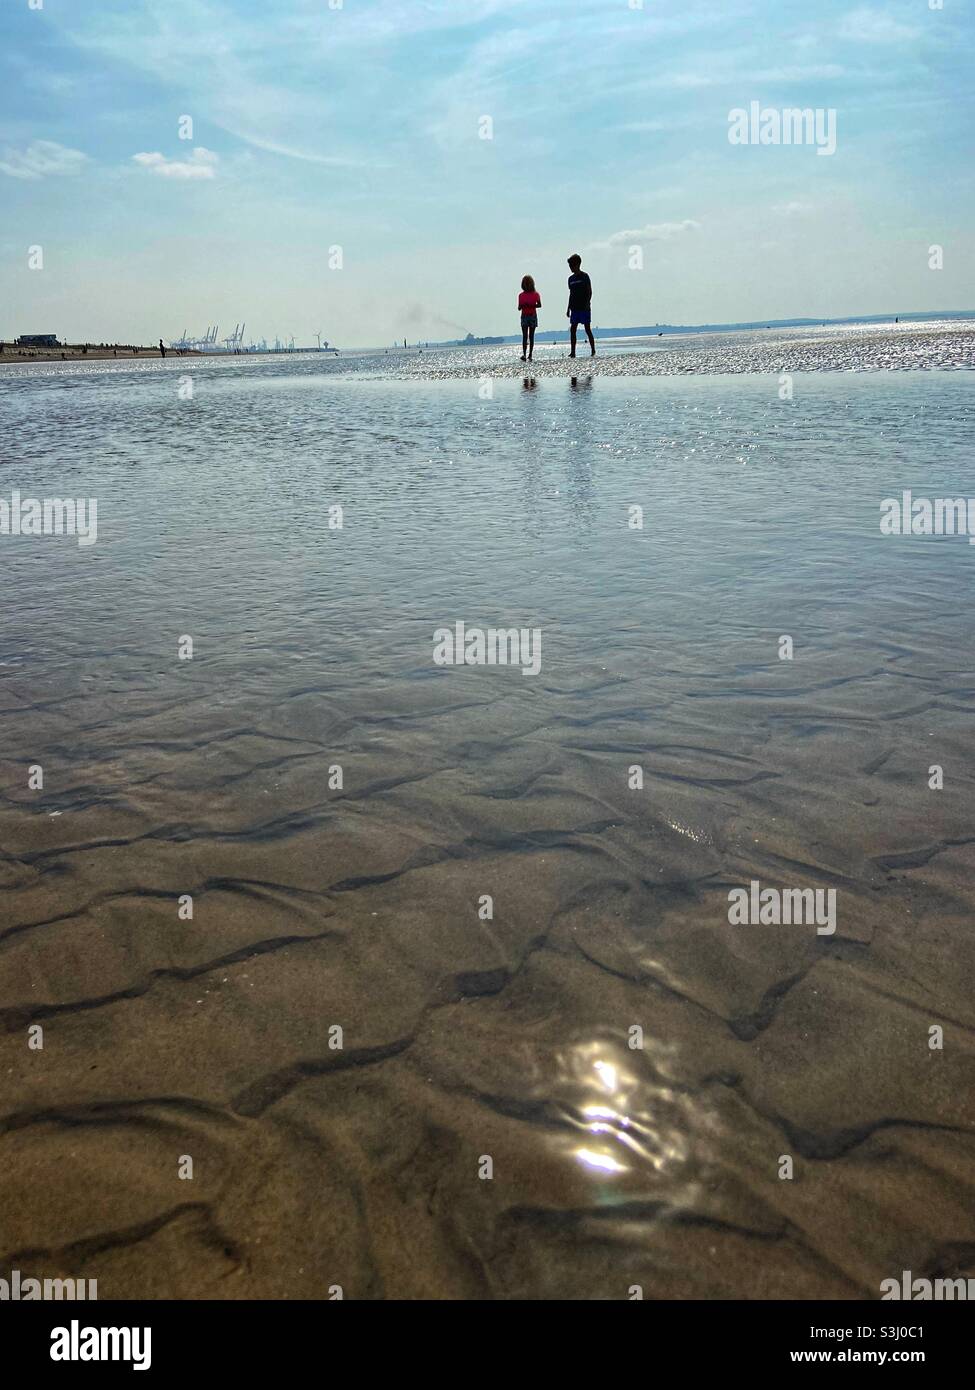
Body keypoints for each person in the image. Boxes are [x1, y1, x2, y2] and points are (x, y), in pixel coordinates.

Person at [566, 253, 595, 357]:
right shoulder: (570, 279)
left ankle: (593, 350)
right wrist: (568, 308)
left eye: (572, 266)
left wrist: (587, 303)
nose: (570, 268)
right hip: (574, 308)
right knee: (573, 329)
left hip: (584, 307)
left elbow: (589, 291)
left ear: (578, 264)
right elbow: (571, 294)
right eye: (570, 266)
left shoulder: (585, 276)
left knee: (587, 328)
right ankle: (573, 352)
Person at [518, 275, 541, 361]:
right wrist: (523, 306)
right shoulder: (521, 295)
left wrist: (531, 305)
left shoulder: (536, 294)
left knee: (531, 336)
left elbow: (539, 305)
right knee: (525, 336)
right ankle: (524, 354)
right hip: (524, 316)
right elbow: (519, 307)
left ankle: (530, 354)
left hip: (532, 315)